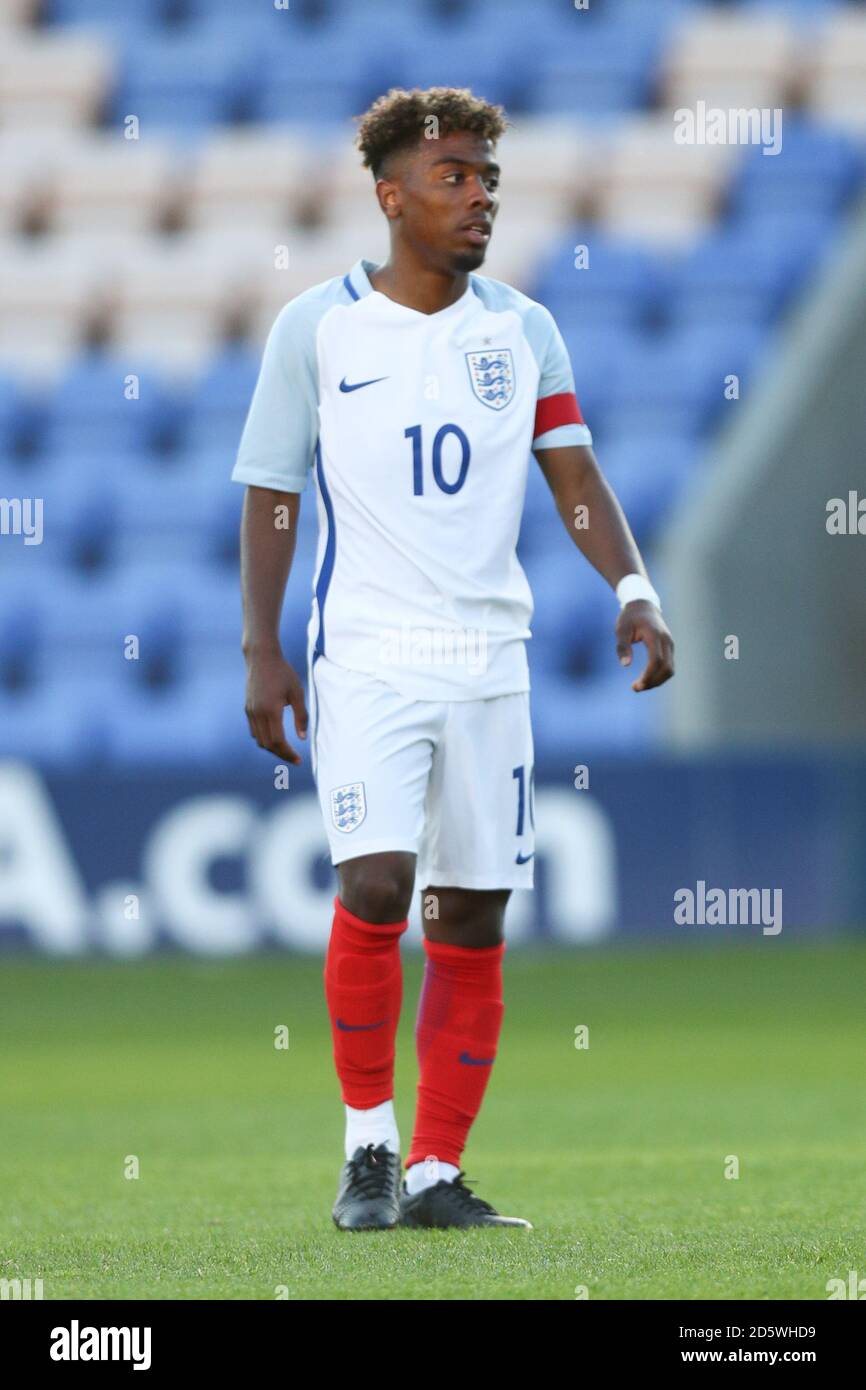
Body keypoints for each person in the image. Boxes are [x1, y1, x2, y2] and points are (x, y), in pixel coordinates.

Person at [232, 87, 674, 1231]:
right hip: (369, 652)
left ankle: (435, 1172)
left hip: (490, 656)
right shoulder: (314, 330)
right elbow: (273, 494)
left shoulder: (521, 330)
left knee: (470, 917)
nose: (477, 196)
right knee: (374, 883)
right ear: (389, 195)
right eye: (451, 177)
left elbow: (571, 477)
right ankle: (367, 1151)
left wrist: (632, 589)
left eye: (487, 178)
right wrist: (260, 652)